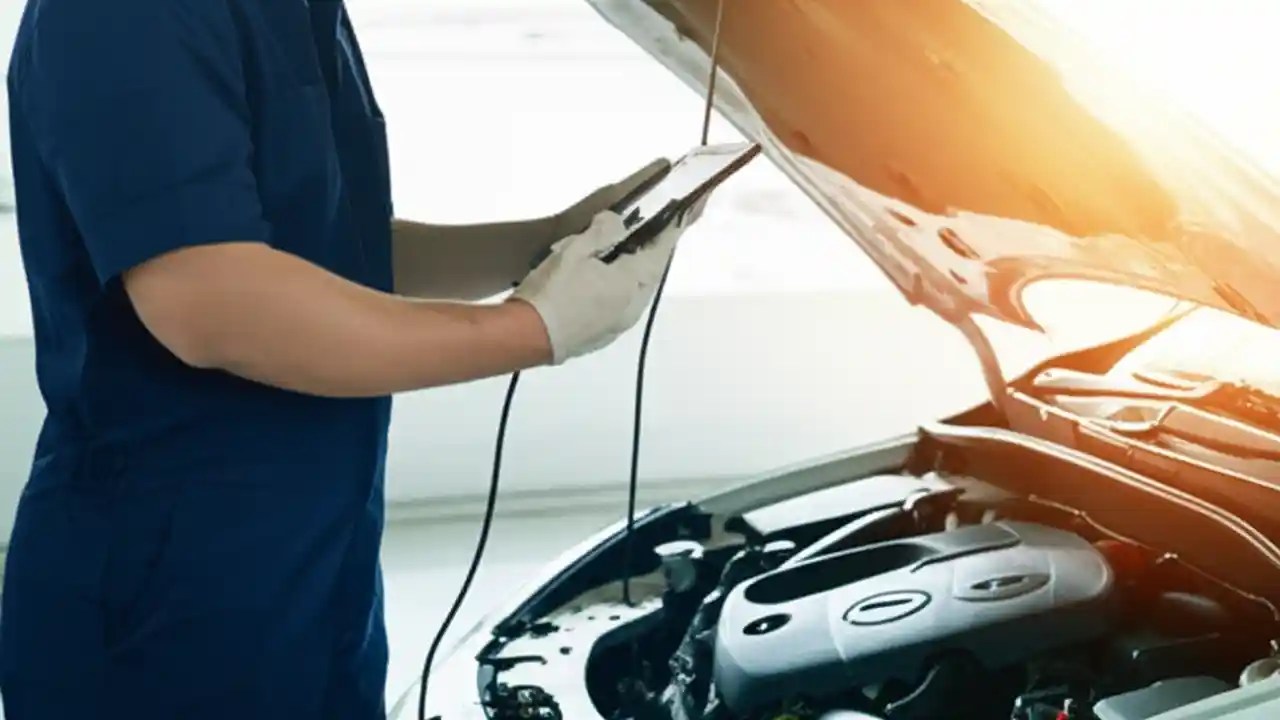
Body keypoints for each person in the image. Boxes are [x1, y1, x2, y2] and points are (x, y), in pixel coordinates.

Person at [0, 0, 704, 718]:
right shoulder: (126, 16)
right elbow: (211, 302)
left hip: (312, 570)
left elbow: (330, 248)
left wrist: (544, 244)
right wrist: (532, 328)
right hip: (164, 593)